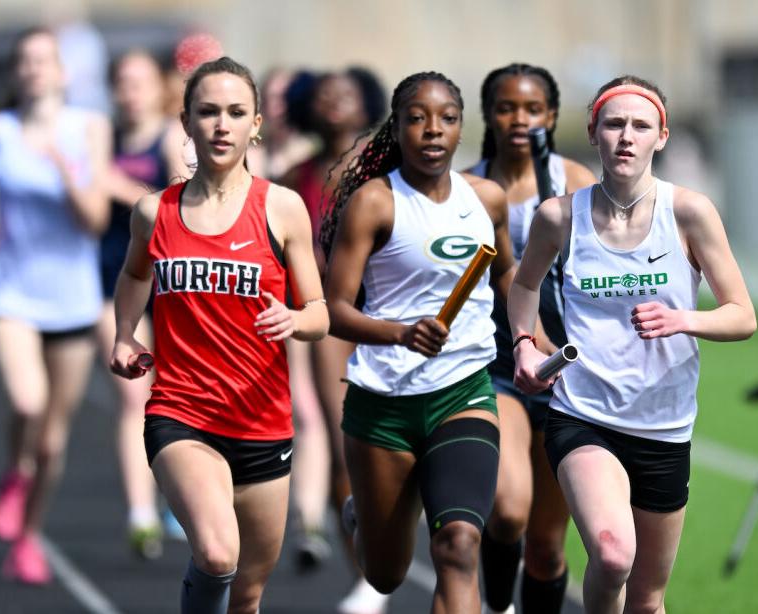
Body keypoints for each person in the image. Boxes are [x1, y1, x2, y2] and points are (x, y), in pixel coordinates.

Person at [508, 75, 756, 614]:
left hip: (664, 424)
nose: (626, 136)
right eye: (614, 124)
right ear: (593, 131)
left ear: (660, 137)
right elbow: (524, 284)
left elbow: (742, 316)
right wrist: (525, 342)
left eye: (640, 125)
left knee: (646, 600)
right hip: (584, 413)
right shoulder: (558, 216)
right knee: (614, 553)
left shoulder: (689, 212)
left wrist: (682, 319)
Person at [109, 56, 328, 614]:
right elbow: (135, 274)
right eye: (208, 112)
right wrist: (125, 335)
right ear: (185, 122)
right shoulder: (152, 212)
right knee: (215, 552)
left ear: (256, 123)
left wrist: (295, 320)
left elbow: (320, 312)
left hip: (261, 421)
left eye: (235, 112)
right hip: (182, 412)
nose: (221, 125)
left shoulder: (282, 208)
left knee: (248, 594)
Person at [322, 71, 516, 613]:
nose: (433, 131)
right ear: (398, 127)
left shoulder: (488, 199)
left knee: (458, 544)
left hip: (463, 393)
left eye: (447, 119)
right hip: (382, 405)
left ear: (461, 130)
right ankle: (363, 514)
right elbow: (335, 310)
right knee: (385, 575)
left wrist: (528, 335)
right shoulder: (374, 203)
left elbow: (506, 276)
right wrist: (400, 334)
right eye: (417, 118)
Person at [0, 27, 111, 584]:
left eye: (45, 60)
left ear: (63, 72)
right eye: (25, 60)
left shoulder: (89, 128)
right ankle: (14, 473)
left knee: (52, 438)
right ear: (14, 72)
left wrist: (65, 169)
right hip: (8, 290)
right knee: (27, 401)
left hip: (70, 297)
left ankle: (28, 536)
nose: (34, 68)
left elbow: (94, 219)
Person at [465, 63, 595, 614]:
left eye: (532, 109)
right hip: (495, 364)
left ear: (551, 116)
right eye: (506, 107)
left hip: (568, 372)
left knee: (545, 546)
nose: (519, 119)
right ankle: (497, 605)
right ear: (488, 114)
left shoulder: (578, 184)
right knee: (508, 510)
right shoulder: (466, 187)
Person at [279, 66, 390, 612]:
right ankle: (366, 574)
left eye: (346, 95)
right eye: (324, 97)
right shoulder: (296, 175)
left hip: (393, 314)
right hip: (330, 321)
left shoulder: (392, 166)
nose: (335, 104)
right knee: (347, 442)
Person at [100, 48, 191, 560]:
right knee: (132, 396)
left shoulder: (171, 139)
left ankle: (176, 502)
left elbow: (179, 199)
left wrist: (123, 189)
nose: (130, 92)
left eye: (140, 82)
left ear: (159, 88)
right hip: (113, 275)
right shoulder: (103, 139)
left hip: (170, 280)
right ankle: (139, 511)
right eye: (122, 82)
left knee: (174, 393)